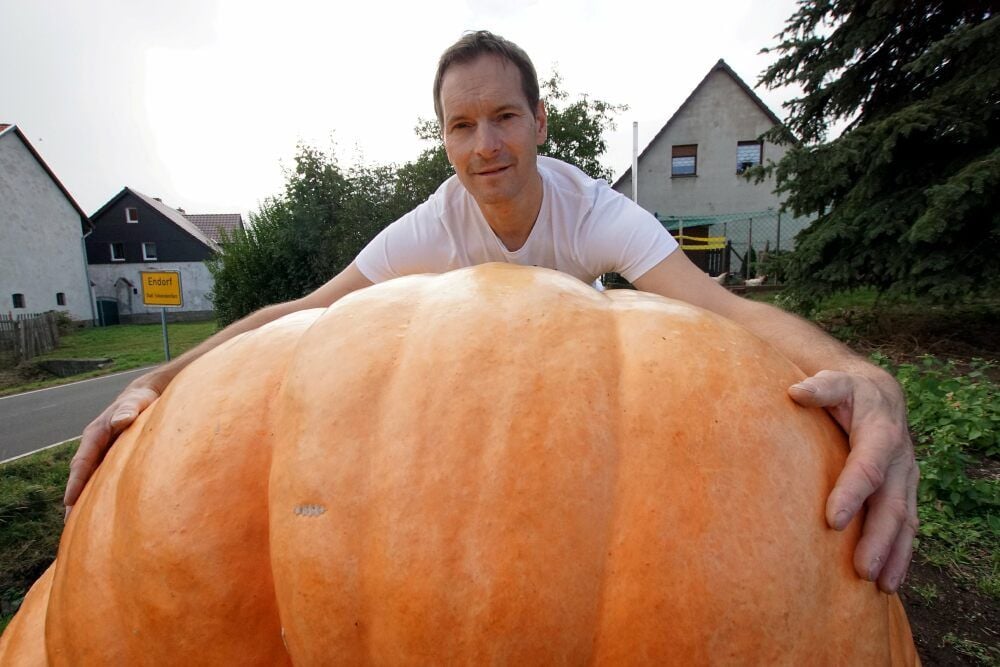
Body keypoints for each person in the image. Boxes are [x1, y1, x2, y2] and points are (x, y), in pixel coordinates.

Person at [67, 31, 917, 594]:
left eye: (505, 117)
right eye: (463, 125)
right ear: (443, 139)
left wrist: (872, 378)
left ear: (540, 122)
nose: (487, 146)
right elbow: (306, 311)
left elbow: (722, 309)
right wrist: (161, 375)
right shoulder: (434, 224)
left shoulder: (593, 213)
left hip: (578, 426)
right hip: (470, 435)